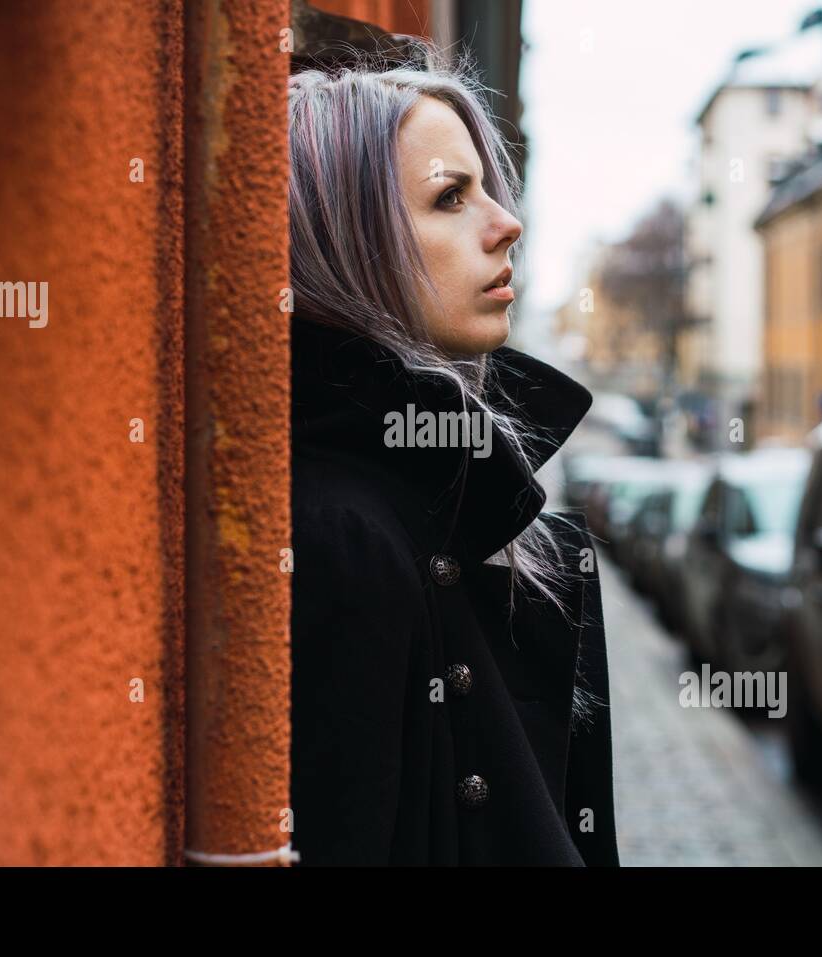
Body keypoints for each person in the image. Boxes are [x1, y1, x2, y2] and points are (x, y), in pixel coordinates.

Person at [286, 47, 619, 866]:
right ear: (344, 243)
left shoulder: (466, 506)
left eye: (487, 187)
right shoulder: (340, 534)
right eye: (449, 197)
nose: (506, 221)